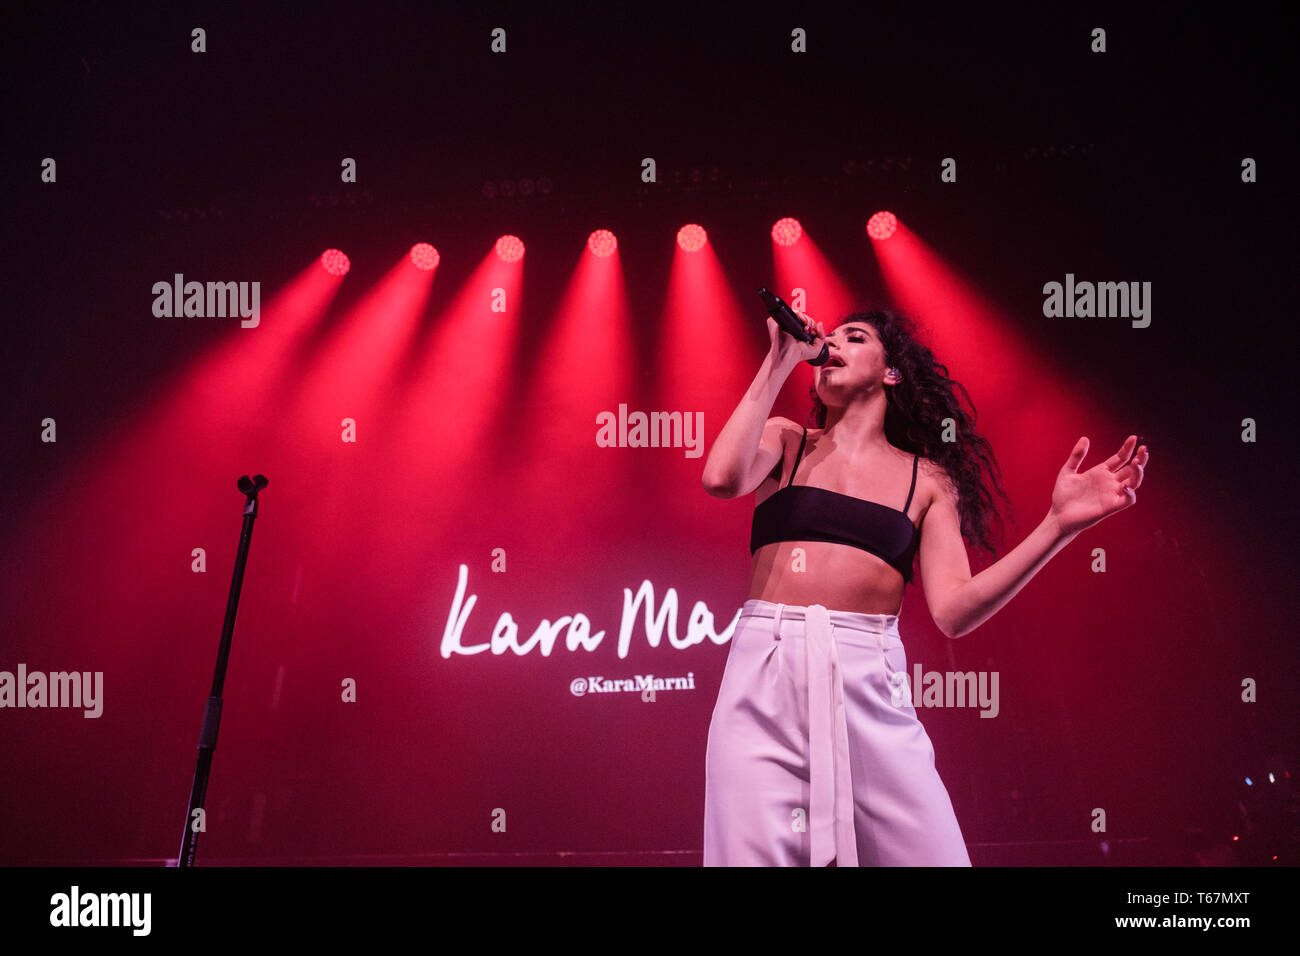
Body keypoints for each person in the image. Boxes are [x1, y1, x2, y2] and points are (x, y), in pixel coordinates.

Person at [700, 308, 1149, 866]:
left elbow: (955, 611)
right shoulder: (788, 442)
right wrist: (778, 359)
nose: (831, 343)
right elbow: (720, 478)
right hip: (765, 672)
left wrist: (1057, 526)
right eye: (827, 339)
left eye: (854, 338)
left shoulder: (927, 479)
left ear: (892, 373)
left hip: (866, 676)